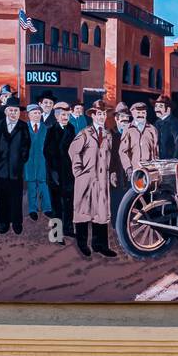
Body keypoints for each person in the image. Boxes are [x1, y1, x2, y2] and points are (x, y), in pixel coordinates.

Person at [68, 100, 116, 258]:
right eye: (99, 114)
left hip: (102, 179)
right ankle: (82, 244)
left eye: (104, 114)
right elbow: (73, 151)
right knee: (83, 211)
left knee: (101, 212)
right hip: (86, 178)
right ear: (93, 115)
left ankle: (100, 245)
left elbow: (110, 155)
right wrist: (78, 171)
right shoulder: (85, 133)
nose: (102, 117)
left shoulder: (108, 135)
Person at [0, 100, 30, 235]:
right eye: (11, 110)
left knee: (16, 198)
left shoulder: (23, 126)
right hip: (1, 171)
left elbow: (26, 145)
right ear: (6, 111)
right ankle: (3, 223)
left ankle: (17, 223)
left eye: (16, 111)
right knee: (2, 198)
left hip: (16, 170)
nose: (13, 113)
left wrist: (21, 159)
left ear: (19, 113)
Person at [44, 101, 77, 243]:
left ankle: (68, 229)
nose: (66, 117)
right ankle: (57, 235)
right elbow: (47, 152)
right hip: (55, 173)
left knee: (69, 204)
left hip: (69, 173)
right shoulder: (51, 130)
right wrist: (53, 172)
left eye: (67, 115)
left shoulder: (71, 129)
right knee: (57, 206)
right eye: (63, 115)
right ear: (57, 116)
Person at [24, 102, 52, 222]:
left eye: (38, 113)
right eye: (34, 113)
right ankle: (33, 210)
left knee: (44, 185)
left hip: (42, 161)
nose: (37, 115)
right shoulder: (24, 128)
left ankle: (47, 208)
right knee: (31, 186)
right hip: (29, 162)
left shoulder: (46, 129)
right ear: (29, 115)